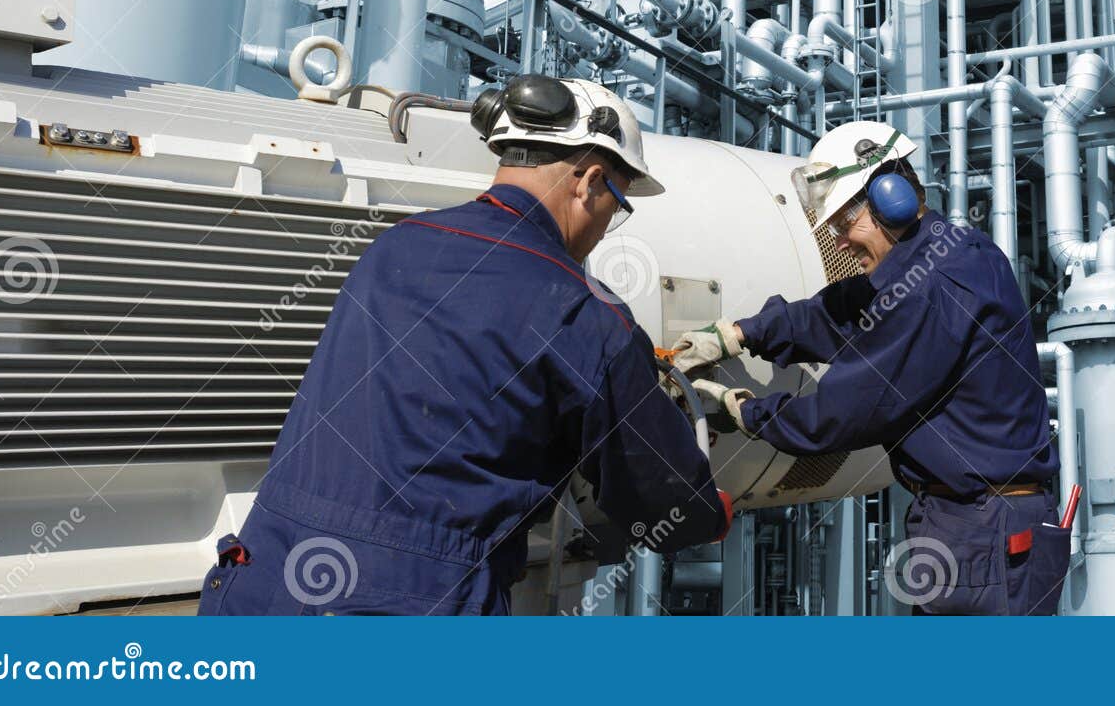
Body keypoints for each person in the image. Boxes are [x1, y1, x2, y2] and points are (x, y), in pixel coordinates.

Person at [200, 74, 729, 615]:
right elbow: (660, 502)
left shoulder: (393, 247)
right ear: (590, 180)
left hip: (260, 580)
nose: (604, 227)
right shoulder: (587, 316)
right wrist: (711, 512)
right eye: (617, 205)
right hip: (412, 604)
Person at [678, 121, 1065, 615]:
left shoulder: (940, 283)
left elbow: (845, 414)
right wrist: (742, 333)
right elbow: (838, 313)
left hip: (988, 529)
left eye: (844, 224)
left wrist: (747, 411)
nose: (839, 242)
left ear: (891, 197)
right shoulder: (935, 257)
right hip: (965, 521)